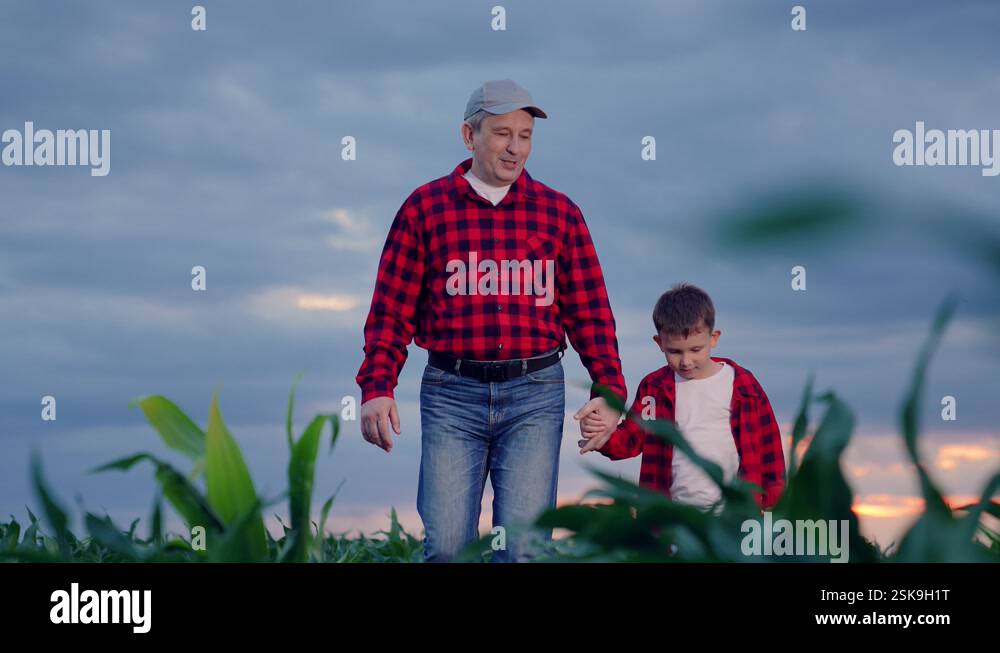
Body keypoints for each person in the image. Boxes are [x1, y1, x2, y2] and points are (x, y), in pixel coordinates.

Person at [356, 79, 627, 561]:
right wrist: (378, 386)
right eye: (503, 133)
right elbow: (390, 308)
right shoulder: (426, 208)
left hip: (535, 393)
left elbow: (590, 313)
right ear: (469, 135)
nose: (515, 147)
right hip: (451, 393)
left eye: (525, 135)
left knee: (523, 548)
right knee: (446, 548)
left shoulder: (559, 214)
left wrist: (609, 391)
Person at [579, 283, 786, 512]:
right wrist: (601, 433)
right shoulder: (654, 389)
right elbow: (632, 438)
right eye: (675, 352)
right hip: (674, 519)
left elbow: (770, 447)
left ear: (714, 338)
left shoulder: (744, 386)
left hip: (733, 517)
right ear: (659, 343)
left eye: (695, 350)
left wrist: (774, 504)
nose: (686, 361)